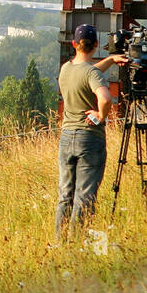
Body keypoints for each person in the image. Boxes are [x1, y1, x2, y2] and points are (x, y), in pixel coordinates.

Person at [56, 24, 125, 240]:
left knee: (65, 194)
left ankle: (61, 242)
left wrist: (112, 60)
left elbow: (88, 72)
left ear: (74, 44)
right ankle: (78, 244)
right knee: (84, 195)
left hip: (67, 137)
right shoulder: (92, 73)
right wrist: (100, 116)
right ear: (96, 44)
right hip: (89, 137)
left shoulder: (66, 69)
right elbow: (104, 98)